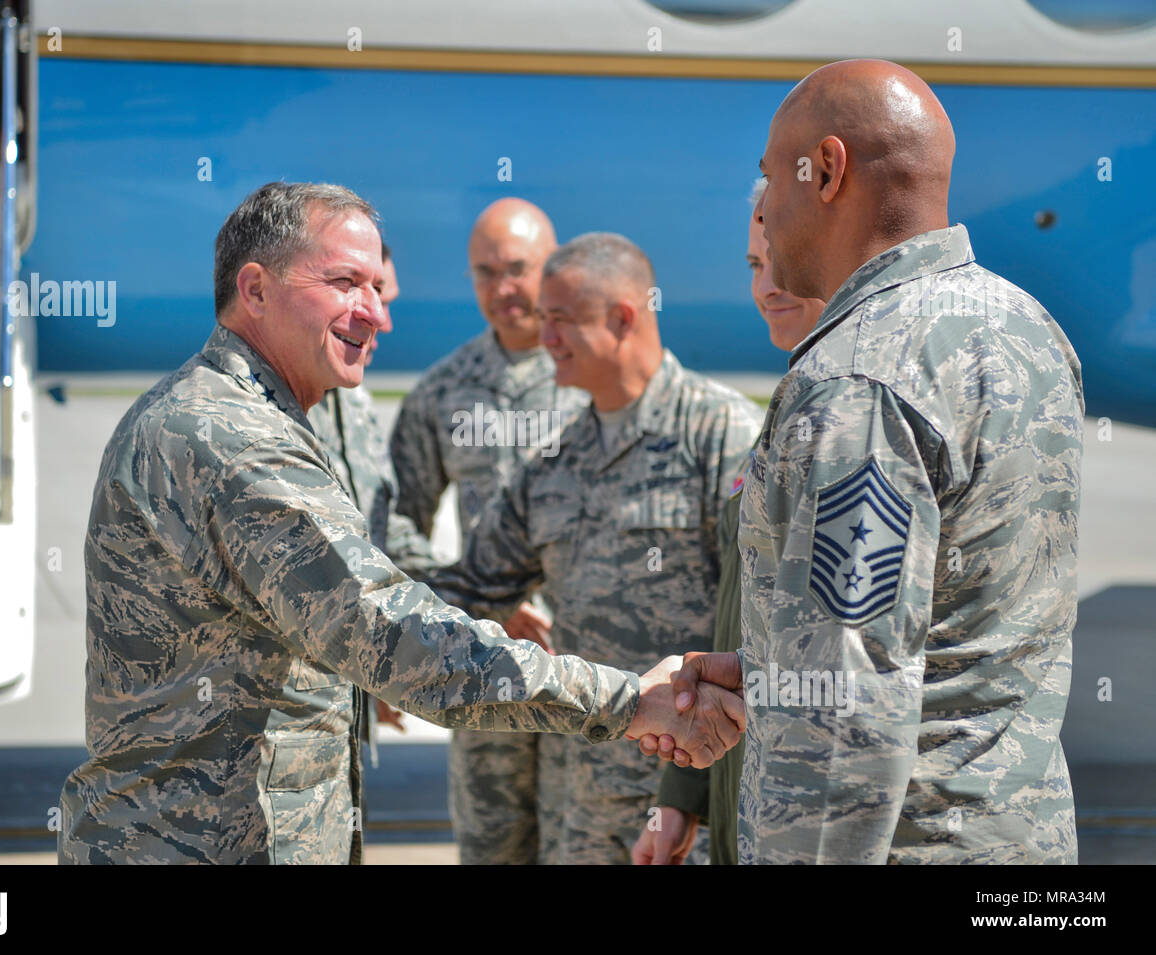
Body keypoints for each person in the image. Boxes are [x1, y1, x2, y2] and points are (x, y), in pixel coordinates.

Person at [57, 182, 746, 865]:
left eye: (377, 288)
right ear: (256, 289)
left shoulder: (278, 418)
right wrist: (630, 699)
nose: (377, 315)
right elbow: (390, 629)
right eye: (345, 282)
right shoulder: (227, 438)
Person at [648, 59, 1084, 864]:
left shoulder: (855, 378)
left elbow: (846, 718)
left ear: (828, 171)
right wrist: (775, 664)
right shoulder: (1027, 329)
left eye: (772, 177)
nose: (764, 212)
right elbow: (958, 626)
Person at [425, 232, 764, 865]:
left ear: (622, 319)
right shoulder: (554, 459)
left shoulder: (720, 435)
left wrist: (683, 798)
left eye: (560, 321)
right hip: (576, 804)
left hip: (685, 800)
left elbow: (755, 621)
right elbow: (470, 585)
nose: (543, 337)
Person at [390, 198, 587, 865]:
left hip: (590, 674)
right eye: (485, 273)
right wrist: (469, 600)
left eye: (517, 269)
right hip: (486, 677)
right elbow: (390, 528)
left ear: (553, 267)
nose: (503, 288)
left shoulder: (598, 379)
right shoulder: (444, 392)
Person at [635, 180, 824, 865]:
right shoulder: (786, 411)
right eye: (752, 264)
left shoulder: (854, 414)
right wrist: (682, 795)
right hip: (745, 804)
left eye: (782, 259)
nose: (767, 284)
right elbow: (731, 621)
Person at [307, 243, 425, 753]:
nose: (383, 320)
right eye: (369, 293)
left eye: (386, 297)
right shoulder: (258, 422)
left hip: (341, 733)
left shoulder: (354, 401)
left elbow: (380, 533)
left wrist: (484, 595)